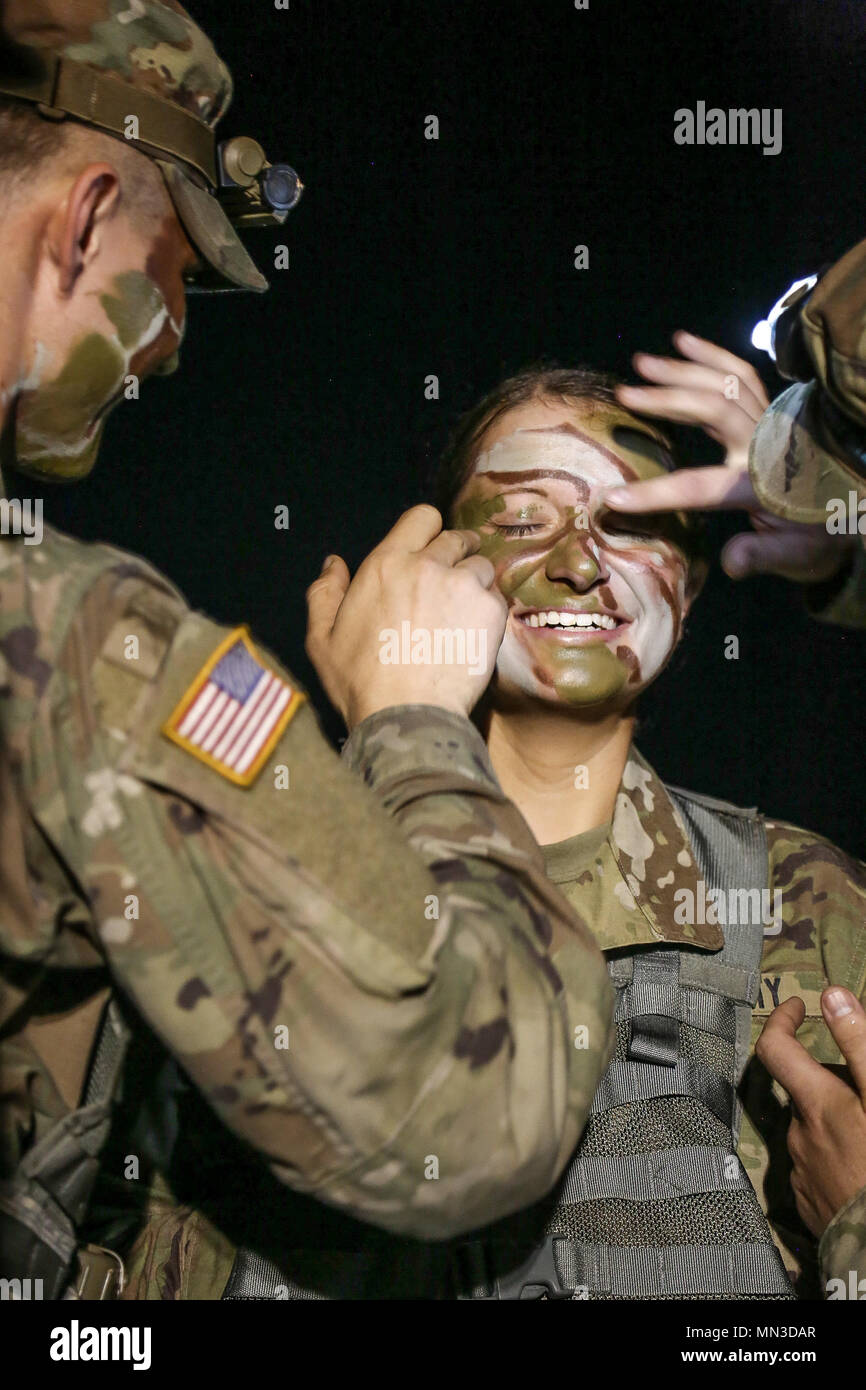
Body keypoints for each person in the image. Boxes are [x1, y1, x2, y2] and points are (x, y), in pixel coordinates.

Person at [0, 1, 615, 1301]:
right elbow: (479, 1109)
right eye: (172, 268)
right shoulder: (80, 644)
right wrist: (410, 725)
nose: (169, 339)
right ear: (85, 214)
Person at [127, 364, 866, 1299]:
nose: (580, 561)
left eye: (634, 525)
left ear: (691, 595)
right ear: (433, 574)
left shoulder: (814, 904)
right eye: (522, 520)